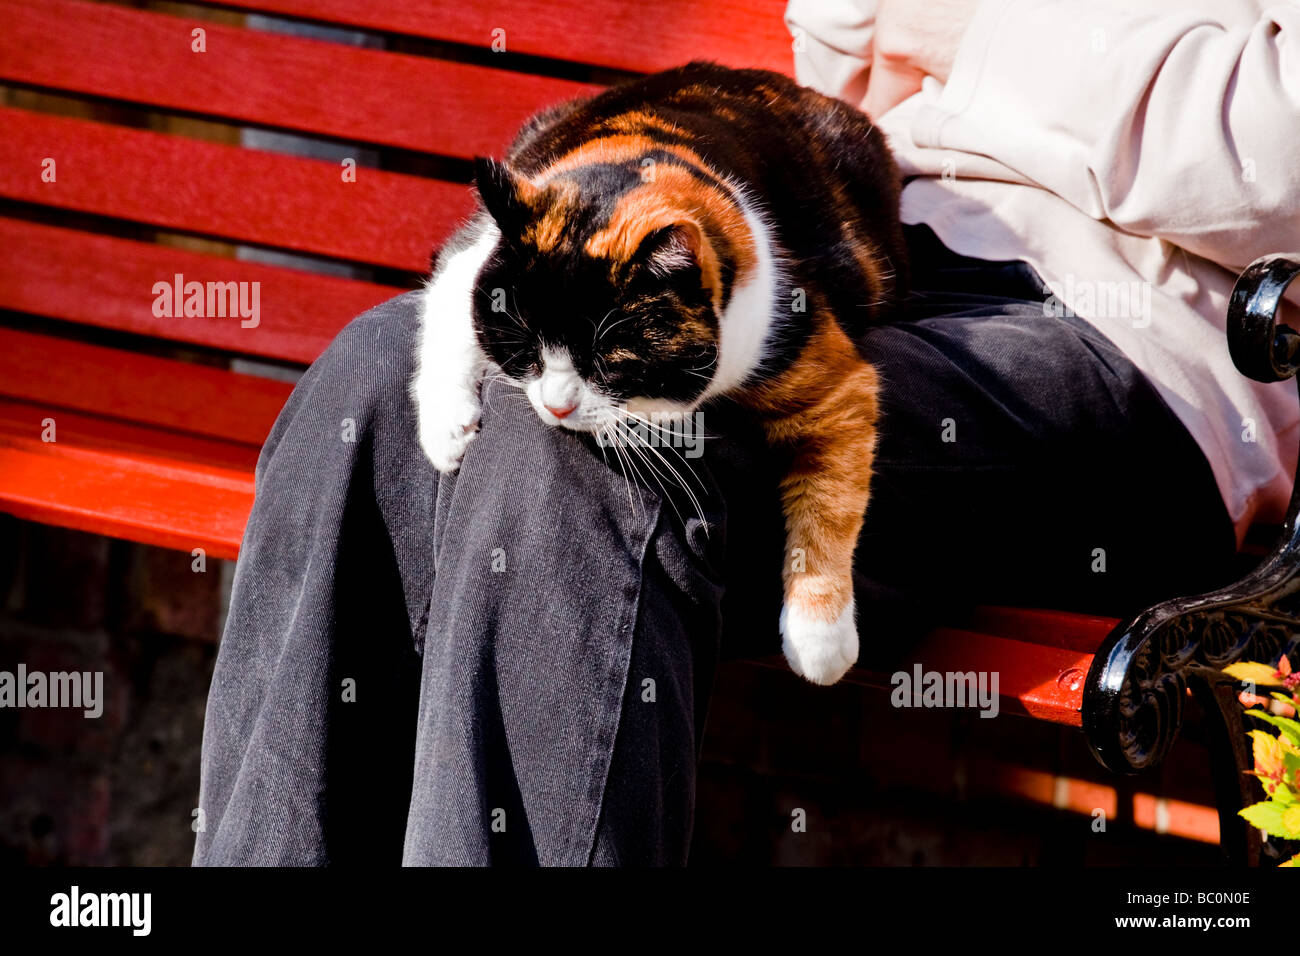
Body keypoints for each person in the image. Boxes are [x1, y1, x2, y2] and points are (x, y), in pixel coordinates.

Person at [193, 0, 1300, 865]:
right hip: (886, 254)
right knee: (375, 380)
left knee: (606, 450)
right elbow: (850, 64)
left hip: (1147, 337)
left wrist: (983, 34)